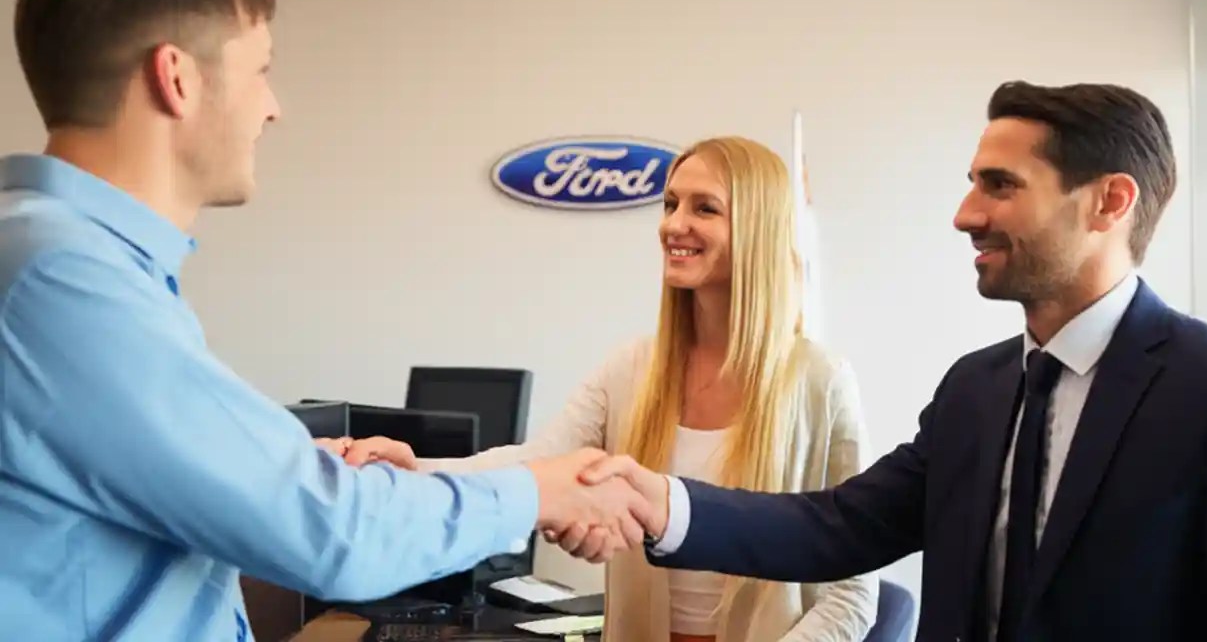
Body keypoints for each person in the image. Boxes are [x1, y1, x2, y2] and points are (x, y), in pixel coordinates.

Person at [0, 0, 649, 640]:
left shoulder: (59, 261)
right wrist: (534, 494)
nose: (272, 107)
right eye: (260, 71)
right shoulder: (59, 280)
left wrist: (280, 466)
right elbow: (334, 538)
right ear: (177, 78)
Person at [573, 82, 1207, 642]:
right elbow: (840, 527)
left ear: (1109, 202)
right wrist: (661, 503)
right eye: (972, 183)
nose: (965, 214)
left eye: (1000, 186)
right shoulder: (977, 389)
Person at [341, 136, 880, 641]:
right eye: (671, 204)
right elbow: (534, 463)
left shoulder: (822, 382)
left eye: (704, 208)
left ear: (759, 228)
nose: (674, 225)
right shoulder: (631, 368)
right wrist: (414, 471)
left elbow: (852, 592)